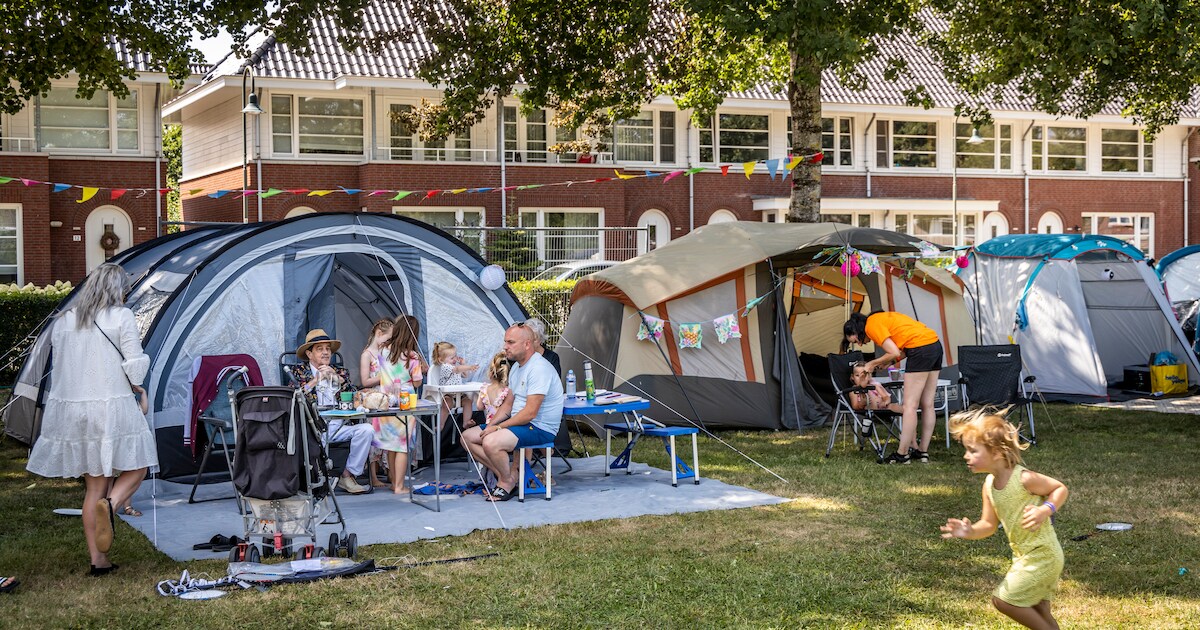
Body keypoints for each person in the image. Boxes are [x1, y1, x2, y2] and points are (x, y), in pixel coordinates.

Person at [25, 263, 157, 576]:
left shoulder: (65, 320)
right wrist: (137, 380)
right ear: (117, 289)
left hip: (73, 410)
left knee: (94, 486)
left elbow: (63, 367)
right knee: (139, 464)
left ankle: (99, 562)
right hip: (112, 405)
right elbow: (135, 366)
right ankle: (110, 507)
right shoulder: (121, 316)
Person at [940, 409, 1068, 630]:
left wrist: (1045, 510)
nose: (966, 456)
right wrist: (970, 531)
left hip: (1043, 555)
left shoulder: (1024, 478)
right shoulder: (989, 485)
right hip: (1023, 556)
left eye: (972, 451)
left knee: (1004, 600)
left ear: (997, 452)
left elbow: (1059, 488)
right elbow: (988, 525)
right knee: (1038, 610)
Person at [462, 323, 564, 501]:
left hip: (539, 427)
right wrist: (492, 425)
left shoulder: (539, 368)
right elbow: (508, 404)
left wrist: (498, 429)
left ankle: (506, 483)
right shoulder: (517, 367)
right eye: (505, 342)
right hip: (521, 423)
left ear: (527, 344)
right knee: (467, 437)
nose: (505, 347)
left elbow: (530, 413)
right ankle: (508, 476)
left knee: (491, 442)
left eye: (510, 342)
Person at [843, 311, 943, 464]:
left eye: (856, 340)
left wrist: (871, 364)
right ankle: (922, 452)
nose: (861, 344)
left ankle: (902, 454)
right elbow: (903, 348)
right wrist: (890, 362)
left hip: (920, 350)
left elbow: (894, 351)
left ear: (857, 330)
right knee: (927, 404)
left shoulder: (871, 326)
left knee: (910, 405)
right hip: (934, 345)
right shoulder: (881, 319)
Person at [287, 329, 372, 495]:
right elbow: (294, 397)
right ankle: (320, 480)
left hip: (337, 425)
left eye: (328, 349)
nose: (326, 352)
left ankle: (347, 475)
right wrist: (316, 379)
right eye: (320, 349)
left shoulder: (339, 371)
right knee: (318, 441)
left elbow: (354, 396)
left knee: (366, 430)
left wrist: (339, 380)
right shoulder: (298, 372)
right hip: (313, 427)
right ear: (309, 353)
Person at [359, 318, 394, 488]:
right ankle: (373, 475)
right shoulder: (367, 355)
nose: (389, 343)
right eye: (387, 339)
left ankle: (390, 471)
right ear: (379, 334)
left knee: (388, 436)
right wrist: (384, 376)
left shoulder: (385, 353)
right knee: (374, 439)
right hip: (374, 399)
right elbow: (364, 381)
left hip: (387, 398)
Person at [469, 352, 513, 431]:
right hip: (505, 425)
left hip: (489, 424)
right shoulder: (507, 390)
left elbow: (479, 407)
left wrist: (489, 406)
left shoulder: (484, 389)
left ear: (490, 373)